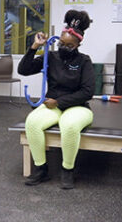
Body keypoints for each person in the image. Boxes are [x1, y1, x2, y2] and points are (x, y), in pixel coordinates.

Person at [18, 10, 94, 189]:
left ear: (77, 45)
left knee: (69, 125)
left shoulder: (84, 61)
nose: (63, 47)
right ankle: (40, 169)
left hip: (77, 105)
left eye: (68, 45)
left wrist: (59, 103)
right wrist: (35, 46)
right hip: (53, 104)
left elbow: (88, 91)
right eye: (61, 42)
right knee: (32, 123)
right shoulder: (51, 57)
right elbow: (24, 69)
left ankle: (67, 170)